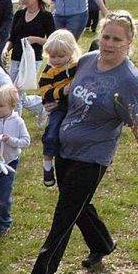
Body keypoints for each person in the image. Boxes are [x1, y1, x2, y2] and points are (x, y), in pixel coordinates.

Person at [26, 13, 138, 274]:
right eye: (106, 36)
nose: (109, 44)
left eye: (116, 39)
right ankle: (102, 243)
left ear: (129, 41)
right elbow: (60, 91)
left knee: (65, 211)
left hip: (94, 154)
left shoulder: (129, 82)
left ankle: (44, 273)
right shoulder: (86, 61)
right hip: (66, 147)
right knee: (76, 204)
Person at [0, 86, 30, 235]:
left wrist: (12, 141)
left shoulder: (18, 122)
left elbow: (26, 141)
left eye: (1, 106)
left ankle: (3, 223)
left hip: (9, 162)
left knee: (3, 194)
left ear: (12, 106)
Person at [38, 29, 81, 188]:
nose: (56, 60)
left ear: (71, 52)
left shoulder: (77, 66)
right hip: (58, 107)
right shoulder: (48, 71)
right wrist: (61, 92)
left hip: (76, 105)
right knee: (52, 133)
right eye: (52, 56)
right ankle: (47, 163)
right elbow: (45, 92)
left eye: (60, 56)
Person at [5, 0, 55, 107]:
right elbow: (13, 37)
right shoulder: (19, 14)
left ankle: (16, 121)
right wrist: (6, 49)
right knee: (14, 91)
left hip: (32, 59)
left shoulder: (46, 16)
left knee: (16, 92)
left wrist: (36, 39)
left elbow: (53, 40)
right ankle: (40, 106)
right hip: (16, 57)